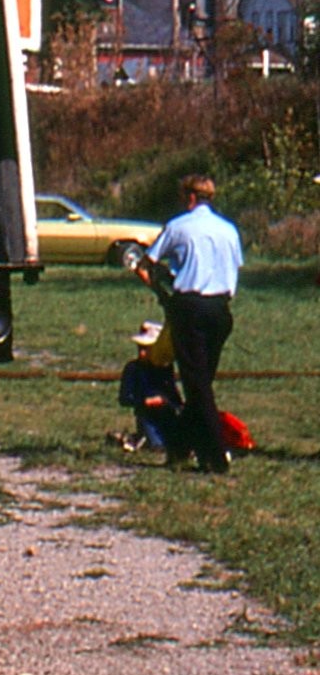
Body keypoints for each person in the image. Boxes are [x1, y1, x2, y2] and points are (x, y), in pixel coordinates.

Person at [134, 174, 243, 473]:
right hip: (220, 310)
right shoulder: (228, 229)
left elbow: (146, 264)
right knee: (201, 383)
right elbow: (234, 267)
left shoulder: (178, 226)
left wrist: (162, 292)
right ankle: (180, 448)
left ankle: (216, 457)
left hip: (189, 308)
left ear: (190, 197)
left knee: (198, 388)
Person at [112, 321, 181, 454]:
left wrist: (168, 402)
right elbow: (124, 398)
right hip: (147, 416)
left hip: (167, 414)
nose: (142, 353)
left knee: (177, 442)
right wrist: (144, 401)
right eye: (140, 348)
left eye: (147, 349)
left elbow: (173, 395)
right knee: (157, 446)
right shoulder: (133, 368)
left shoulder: (165, 368)